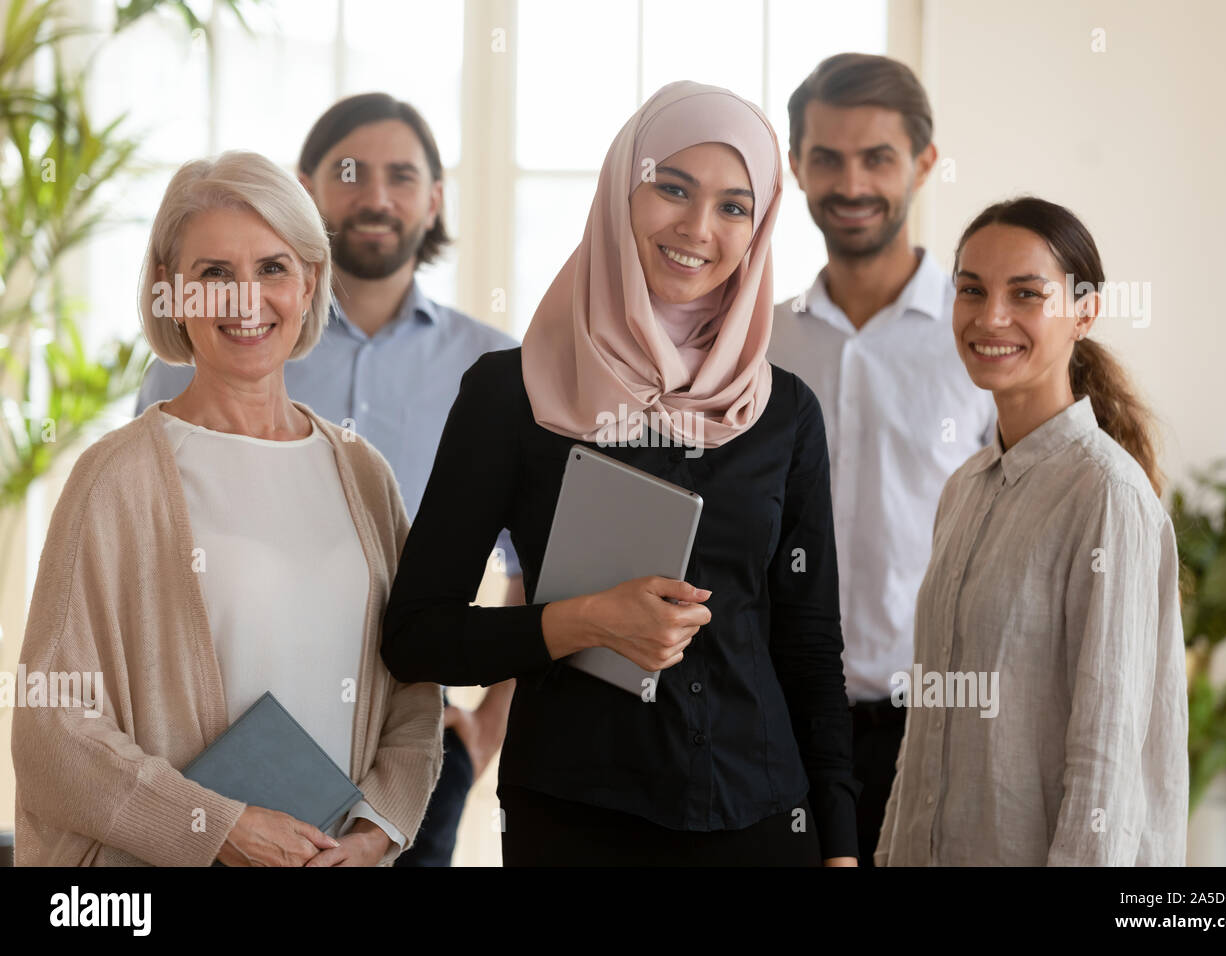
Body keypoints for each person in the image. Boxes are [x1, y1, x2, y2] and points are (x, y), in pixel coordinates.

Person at [382, 81, 859, 866]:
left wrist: (839, 844)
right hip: (577, 819)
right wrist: (583, 621)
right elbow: (417, 636)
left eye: (735, 207)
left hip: (763, 819)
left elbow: (809, 642)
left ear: (762, 224)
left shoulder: (784, 412)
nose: (698, 228)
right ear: (621, 192)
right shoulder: (514, 392)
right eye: (672, 188)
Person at [12, 151, 442, 866]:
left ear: (308, 283)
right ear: (171, 293)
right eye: (214, 274)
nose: (246, 301)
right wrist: (214, 827)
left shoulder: (364, 474)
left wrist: (378, 831)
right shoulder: (115, 478)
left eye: (272, 268)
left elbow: (414, 686)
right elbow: (51, 729)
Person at [134, 93, 521, 867]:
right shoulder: (220, 344)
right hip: (213, 750)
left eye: (402, 176)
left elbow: (533, 570)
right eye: (351, 173)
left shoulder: (494, 369)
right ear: (305, 189)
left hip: (405, 754)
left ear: (435, 197)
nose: (376, 196)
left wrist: (482, 733)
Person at [874, 197, 1188, 866]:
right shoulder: (964, 487)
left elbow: (1107, 761)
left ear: (1084, 311)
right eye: (971, 291)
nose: (991, 317)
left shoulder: (1106, 495)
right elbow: (928, 727)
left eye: (1026, 294)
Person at [768, 52, 997, 863]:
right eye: (826, 157)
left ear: (924, 164)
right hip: (781, 726)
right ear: (795, 164)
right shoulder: (760, 341)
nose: (851, 182)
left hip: (942, 723)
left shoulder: (981, 341)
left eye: (878, 158)